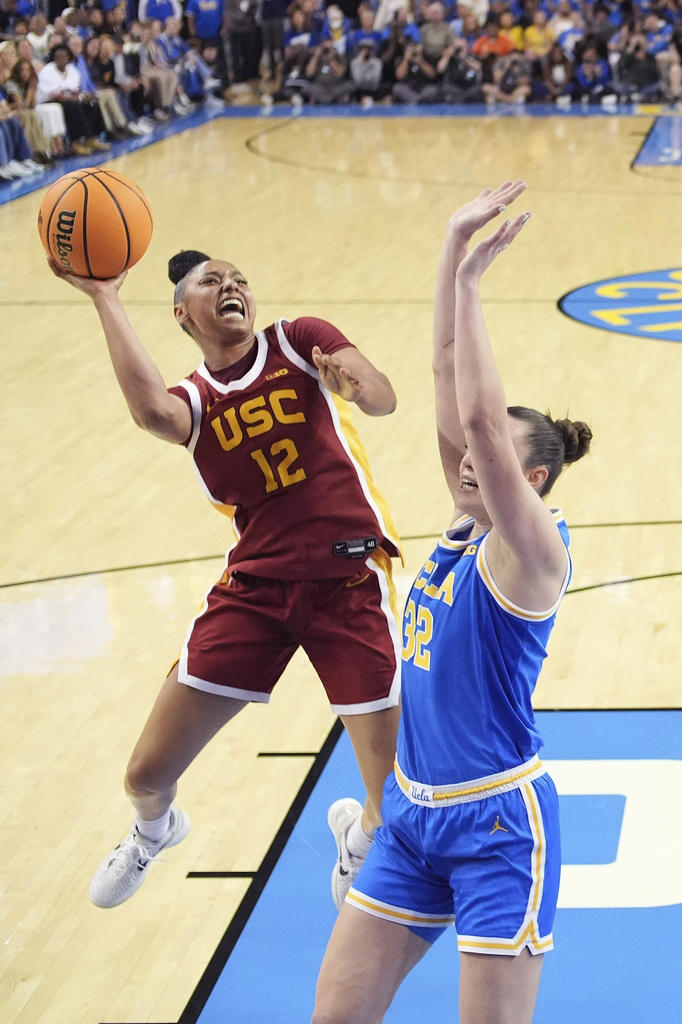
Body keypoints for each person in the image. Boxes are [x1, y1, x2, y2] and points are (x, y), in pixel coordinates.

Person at [311, 180, 593, 1024]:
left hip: (498, 828)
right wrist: (449, 247)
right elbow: (445, 375)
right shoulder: (465, 520)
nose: (468, 454)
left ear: (530, 479)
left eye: (490, 451)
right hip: (408, 818)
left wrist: (474, 286)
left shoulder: (530, 548)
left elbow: (473, 409)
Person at [47, 247, 403, 911]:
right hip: (257, 592)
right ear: (184, 312)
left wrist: (356, 387)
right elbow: (152, 413)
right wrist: (105, 297)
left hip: (348, 578)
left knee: (393, 801)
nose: (231, 285)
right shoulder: (193, 399)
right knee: (145, 773)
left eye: (240, 278)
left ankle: (359, 838)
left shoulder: (298, 341)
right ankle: (155, 832)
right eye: (212, 282)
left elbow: (381, 396)